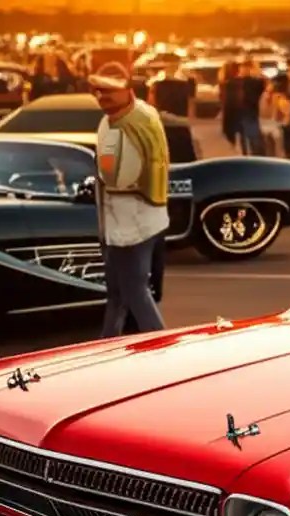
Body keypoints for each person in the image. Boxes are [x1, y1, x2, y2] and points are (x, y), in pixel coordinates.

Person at [88, 62, 169, 338]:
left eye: (109, 91)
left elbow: (113, 176)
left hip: (128, 228)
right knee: (120, 294)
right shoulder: (146, 113)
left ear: (127, 89)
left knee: (133, 293)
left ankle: (162, 347)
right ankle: (107, 345)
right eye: (98, 91)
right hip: (149, 219)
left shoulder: (117, 128)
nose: (102, 96)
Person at [236, 59, 268, 156]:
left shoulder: (245, 82)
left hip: (248, 112)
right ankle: (255, 155)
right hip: (250, 112)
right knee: (251, 137)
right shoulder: (255, 81)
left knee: (250, 137)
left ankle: (250, 155)